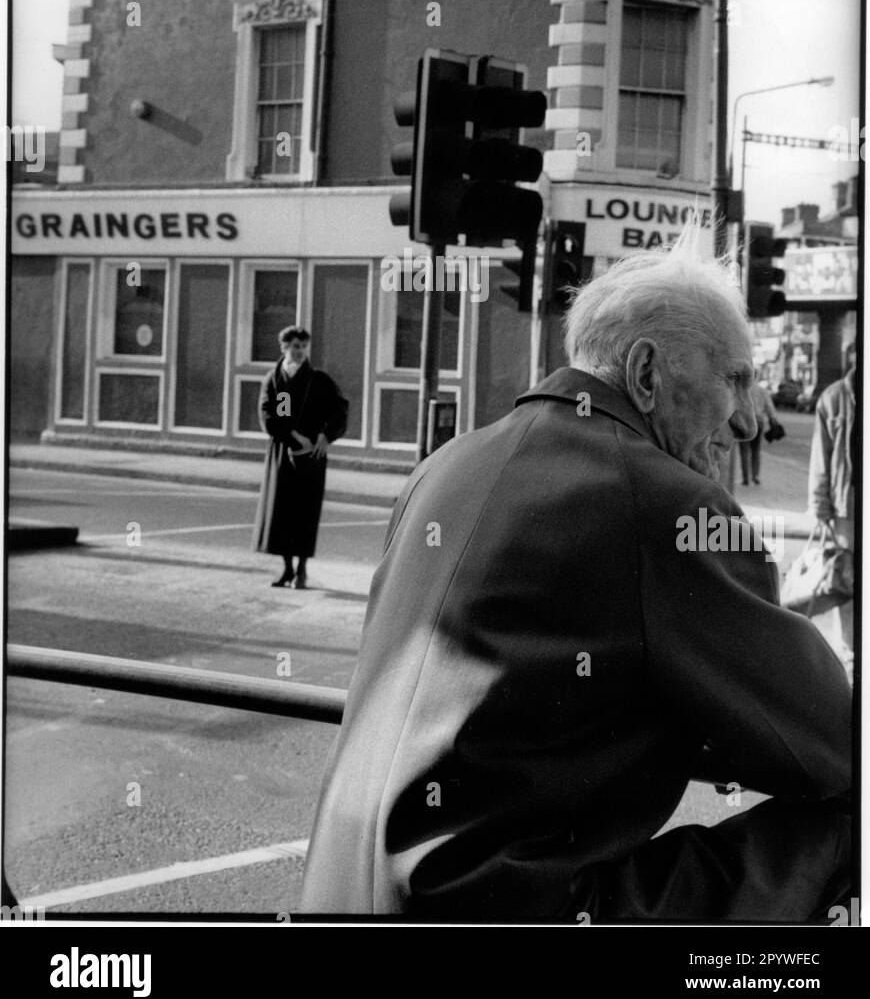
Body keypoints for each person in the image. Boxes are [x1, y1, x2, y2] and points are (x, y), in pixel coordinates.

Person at [301, 227, 851, 922]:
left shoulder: (443, 468)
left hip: (344, 896)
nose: (747, 422)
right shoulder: (664, 501)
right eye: (734, 379)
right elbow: (832, 737)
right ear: (648, 374)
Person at [252, 326, 348, 589]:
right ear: (283, 348)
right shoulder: (275, 380)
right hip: (283, 453)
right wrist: (294, 437)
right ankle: (286, 569)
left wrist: (326, 436)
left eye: (303, 346)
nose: (299, 351)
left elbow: (340, 410)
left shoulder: (319, 380)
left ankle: (302, 570)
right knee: (282, 512)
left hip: (311, 458)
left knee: (305, 512)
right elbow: (270, 417)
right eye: (294, 346)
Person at [808, 347, 856, 672]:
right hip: (846, 506)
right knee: (846, 578)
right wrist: (819, 508)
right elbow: (820, 458)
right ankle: (851, 653)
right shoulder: (834, 397)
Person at [739, 376, 778, 485]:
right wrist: (773, 419)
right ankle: (755, 476)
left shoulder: (742, 389)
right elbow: (769, 407)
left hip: (743, 422)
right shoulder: (762, 391)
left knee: (744, 451)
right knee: (756, 450)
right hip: (759, 423)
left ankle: (745, 478)